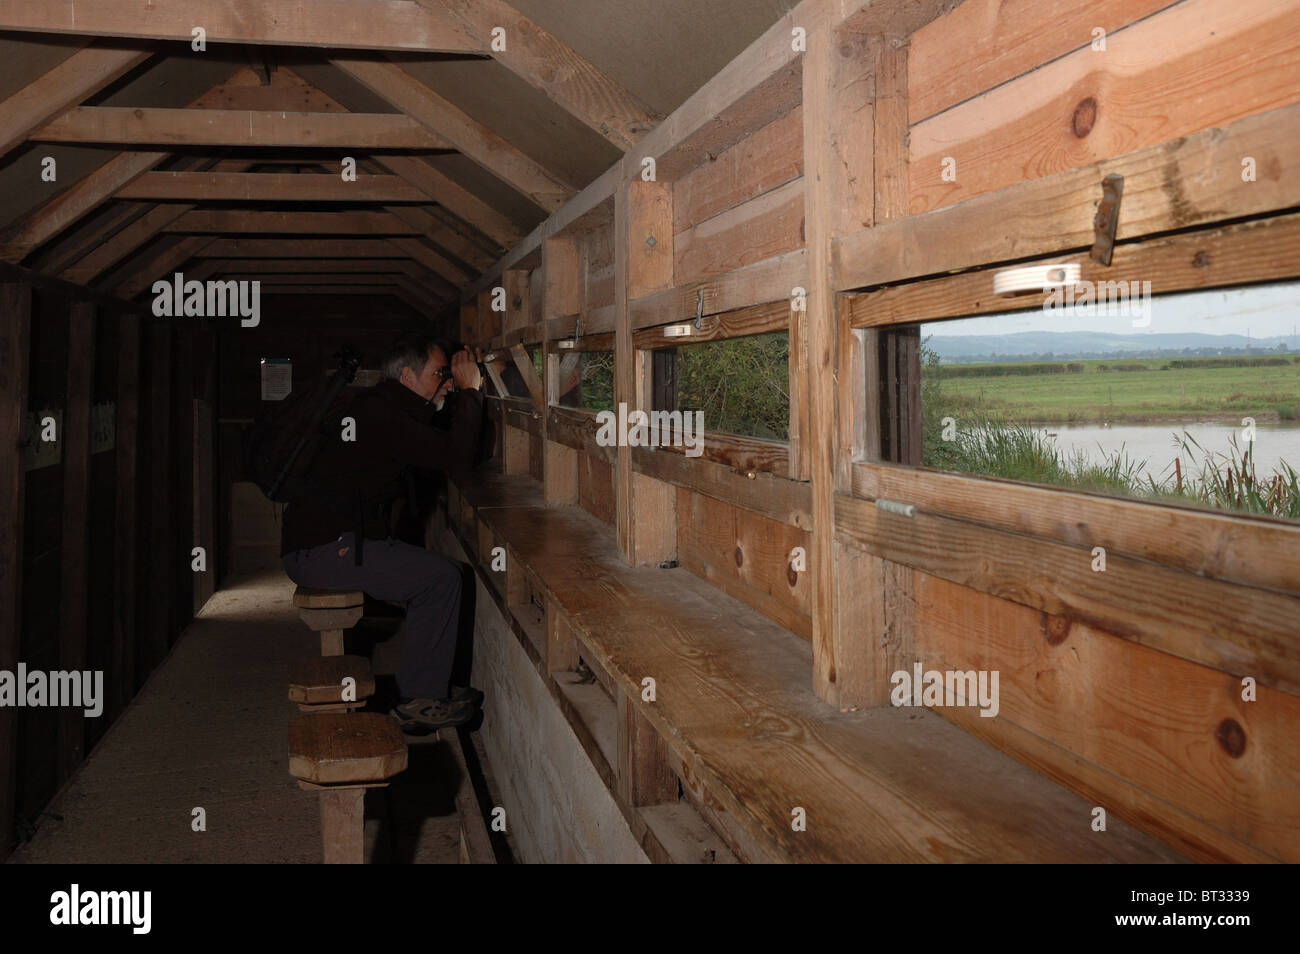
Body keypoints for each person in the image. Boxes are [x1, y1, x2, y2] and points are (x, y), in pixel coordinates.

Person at [280, 332, 485, 732]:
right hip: (323, 551)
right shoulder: (383, 418)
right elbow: (456, 457)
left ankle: (432, 684)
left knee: (435, 576)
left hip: (324, 544)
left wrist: (457, 394)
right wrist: (471, 391)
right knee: (440, 580)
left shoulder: (380, 407)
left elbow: (433, 434)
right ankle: (420, 700)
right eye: (440, 373)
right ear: (408, 376)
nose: (446, 381)